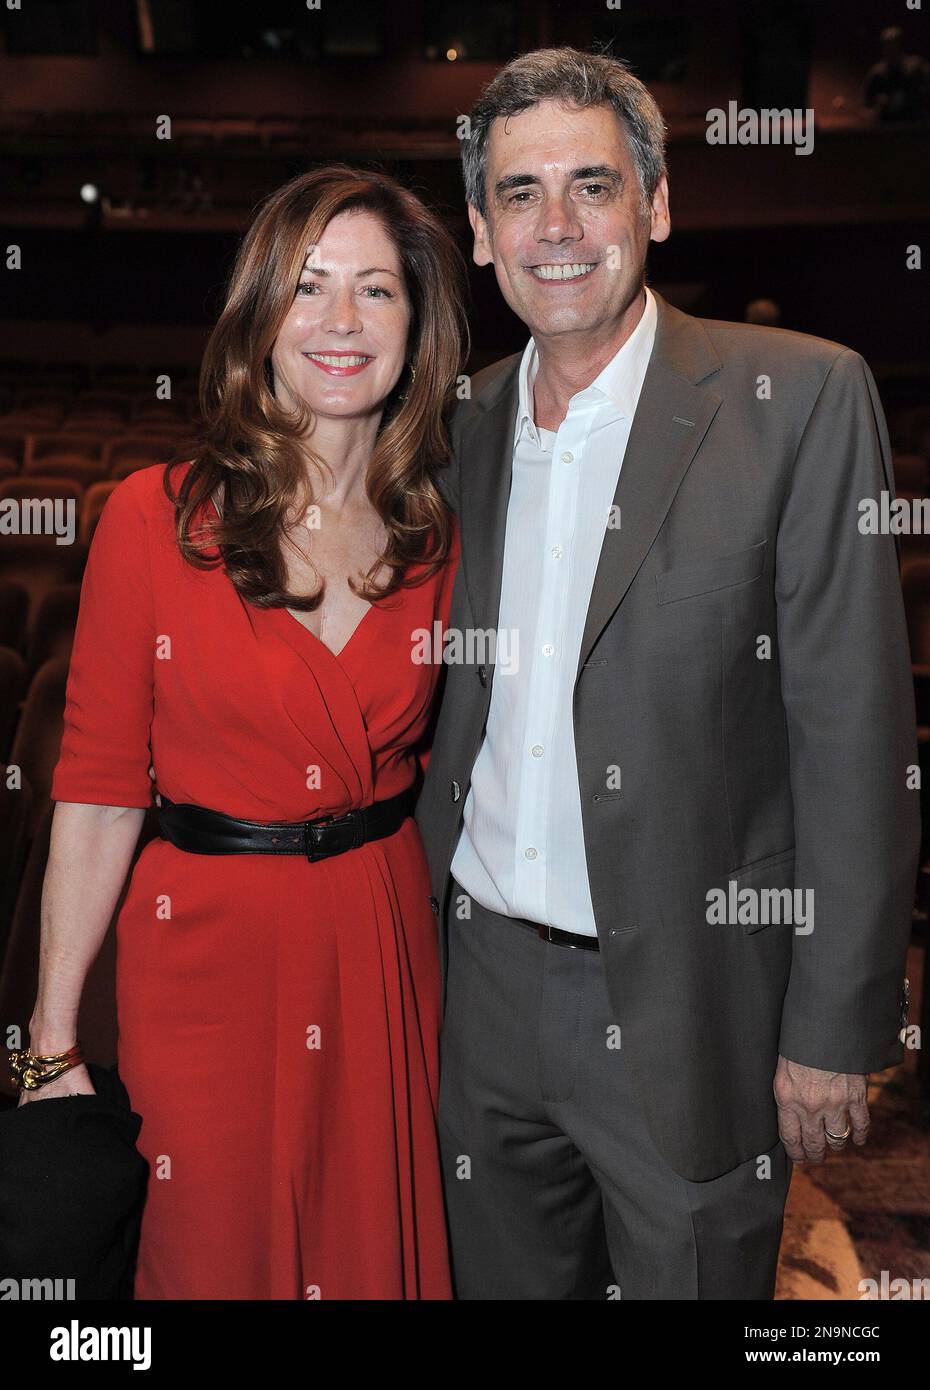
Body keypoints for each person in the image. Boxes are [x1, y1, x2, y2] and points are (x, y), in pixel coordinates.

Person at [416, 47, 919, 1300]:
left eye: (595, 184)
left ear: (657, 203)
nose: (560, 227)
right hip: (475, 998)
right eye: (521, 195)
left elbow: (854, 738)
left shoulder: (799, 399)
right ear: (480, 234)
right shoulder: (453, 425)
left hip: (695, 1007)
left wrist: (832, 1029)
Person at [16, 165, 467, 1300]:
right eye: (309, 287)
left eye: (376, 291)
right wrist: (50, 1040)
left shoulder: (442, 537)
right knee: (205, 1253)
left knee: (367, 1246)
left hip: (377, 944)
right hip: (202, 954)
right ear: (260, 319)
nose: (341, 322)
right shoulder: (153, 518)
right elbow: (100, 791)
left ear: (416, 332)